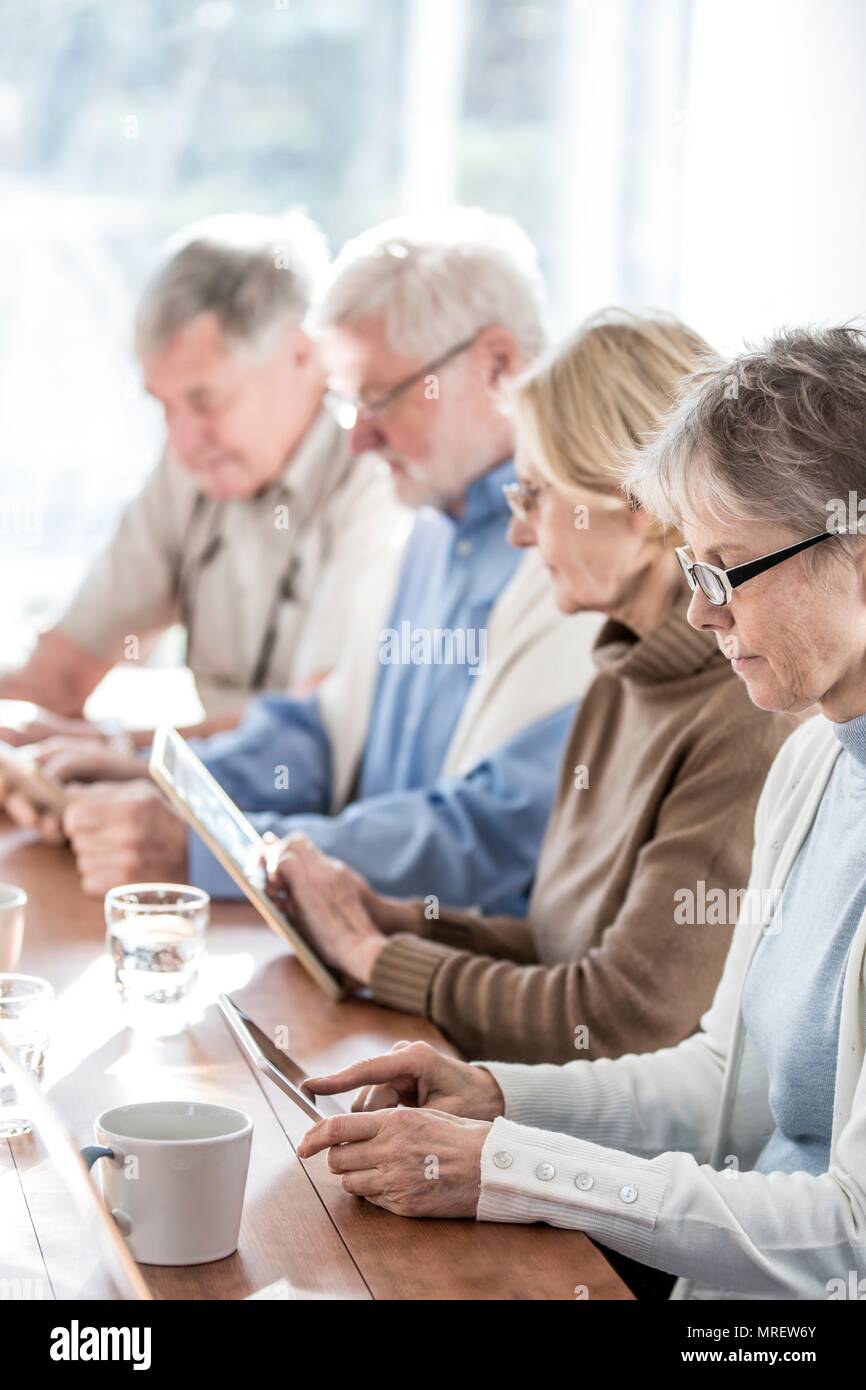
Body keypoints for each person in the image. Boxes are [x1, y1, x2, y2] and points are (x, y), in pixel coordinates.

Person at [292, 326, 866, 1303]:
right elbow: (718, 1085)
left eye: (725, 569)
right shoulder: (813, 758)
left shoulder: (774, 737)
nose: (701, 611)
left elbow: (845, 1232)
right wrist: (496, 1099)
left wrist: (505, 1170)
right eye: (695, 568)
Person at [22, 210, 597, 912]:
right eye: (351, 405)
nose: (358, 441)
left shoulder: (577, 559)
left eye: (380, 399)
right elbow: (321, 736)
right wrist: (157, 785)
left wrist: (209, 848)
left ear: (498, 366)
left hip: (466, 993)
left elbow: (482, 839)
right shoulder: (424, 530)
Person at [268, 311, 801, 1064]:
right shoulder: (625, 669)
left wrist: (374, 959)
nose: (519, 534)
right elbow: (560, 946)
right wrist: (396, 924)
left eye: (533, 496)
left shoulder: (745, 716)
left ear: (635, 504)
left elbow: (619, 1016)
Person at [0, 210, 403, 743]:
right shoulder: (193, 467)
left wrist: (114, 748)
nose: (184, 441)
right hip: (204, 792)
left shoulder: (381, 475)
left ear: (303, 355)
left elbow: (315, 727)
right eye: (164, 407)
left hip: (309, 812)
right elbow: (63, 674)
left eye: (204, 400)